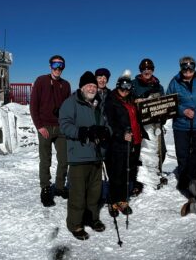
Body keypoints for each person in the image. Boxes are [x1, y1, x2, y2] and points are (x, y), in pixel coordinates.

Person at [59, 71, 111, 240]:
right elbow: (64, 125)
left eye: (94, 86)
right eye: (88, 85)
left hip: (96, 155)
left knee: (95, 192)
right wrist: (83, 132)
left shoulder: (99, 103)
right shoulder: (71, 103)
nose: (92, 88)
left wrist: (105, 132)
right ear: (81, 87)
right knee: (78, 193)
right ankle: (75, 224)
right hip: (79, 156)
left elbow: (108, 124)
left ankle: (92, 218)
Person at [166, 56, 196, 197]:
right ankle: (184, 182)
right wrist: (182, 110)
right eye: (184, 67)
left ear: (194, 67)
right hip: (181, 126)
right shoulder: (175, 82)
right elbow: (168, 102)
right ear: (180, 67)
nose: (188, 69)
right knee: (183, 155)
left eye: (191, 66)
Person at [30, 54, 71, 207]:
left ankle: (60, 187)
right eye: (55, 65)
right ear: (50, 66)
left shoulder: (66, 85)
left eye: (61, 65)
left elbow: (67, 107)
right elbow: (33, 105)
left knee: (64, 159)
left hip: (60, 127)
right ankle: (46, 188)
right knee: (45, 159)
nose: (58, 68)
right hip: (45, 127)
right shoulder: (41, 81)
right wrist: (39, 126)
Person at [104, 71, 144, 218]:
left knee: (127, 171)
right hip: (118, 143)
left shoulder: (131, 99)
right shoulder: (111, 100)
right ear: (118, 86)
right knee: (117, 173)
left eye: (128, 88)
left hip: (134, 141)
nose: (125, 90)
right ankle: (113, 201)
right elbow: (110, 122)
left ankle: (122, 200)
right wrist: (121, 134)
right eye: (122, 87)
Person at [132, 57, 167, 188]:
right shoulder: (134, 84)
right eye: (144, 69)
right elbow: (127, 100)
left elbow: (164, 105)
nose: (147, 71)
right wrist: (137, 102)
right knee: (142, 152)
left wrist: (163, 116)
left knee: (160, 150)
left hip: (155, 124)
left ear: (153, 70)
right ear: (141, 70)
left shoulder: (158, 86)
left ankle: (156, 173)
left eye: (149, 69)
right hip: (140, 124)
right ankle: (141, 178)